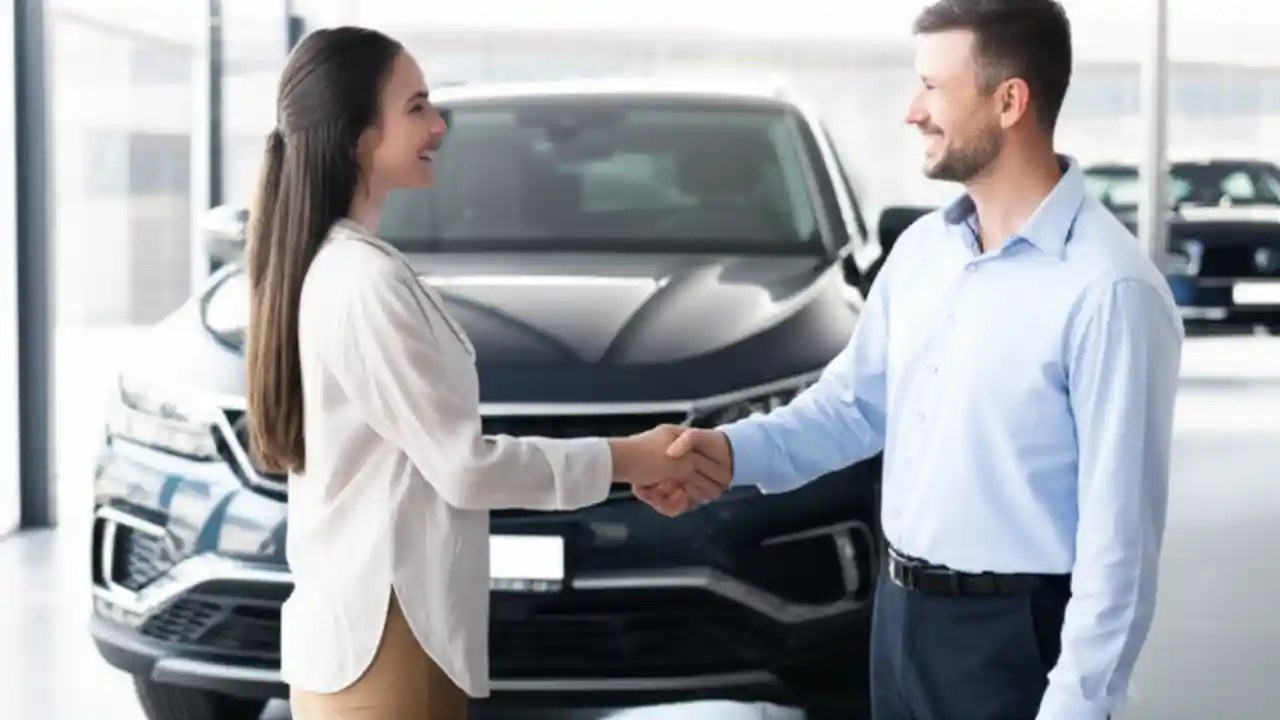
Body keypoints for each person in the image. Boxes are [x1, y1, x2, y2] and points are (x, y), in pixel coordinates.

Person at [644, 1, 1184, 718]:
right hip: (899, 624)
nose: (911, 111)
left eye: (932, 86)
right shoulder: (925, 251)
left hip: (1012, 641)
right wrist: (724, 455)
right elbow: (852, 410)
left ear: (1009, 100)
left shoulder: (1109, 289)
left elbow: (1119, 552)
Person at [243, 28, 728, 720]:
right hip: (388, 636)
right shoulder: (361, 280)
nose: (439, 124)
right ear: (356, 136)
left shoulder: (338, 266)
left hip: (377, 628)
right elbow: (463, 467)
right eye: (416, 107)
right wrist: (629, 458)